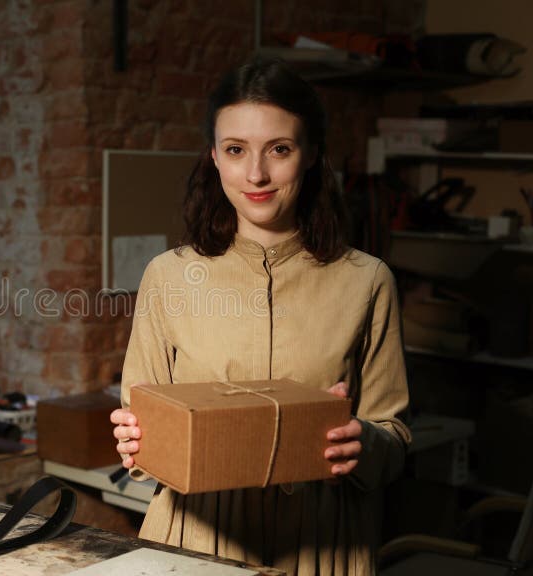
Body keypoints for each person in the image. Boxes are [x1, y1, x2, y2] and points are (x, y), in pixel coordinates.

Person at [110, 56, 410, 576]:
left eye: (280, 149)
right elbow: (141, 432)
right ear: (214, 157)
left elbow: (395, 435)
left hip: (322, 545)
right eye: (235, 150)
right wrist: (136, 443)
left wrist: (366, 442)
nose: (256, 174)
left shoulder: (367, 279)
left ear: (311, 153)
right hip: (193, 541)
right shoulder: (168, 276)